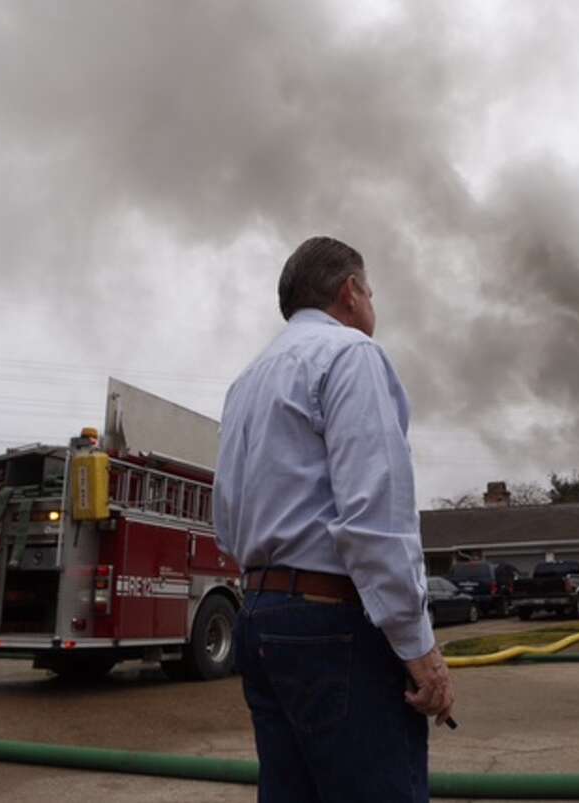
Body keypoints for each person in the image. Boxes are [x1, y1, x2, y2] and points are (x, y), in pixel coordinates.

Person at [214, 235, 454, 803]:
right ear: (350, 292)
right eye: (370, 290)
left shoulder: (245, 382)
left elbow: (226, 519)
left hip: (260, 617)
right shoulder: (353, 355)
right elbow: (376, 519)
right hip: (335, 624)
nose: (372, 303)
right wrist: (420, 650)